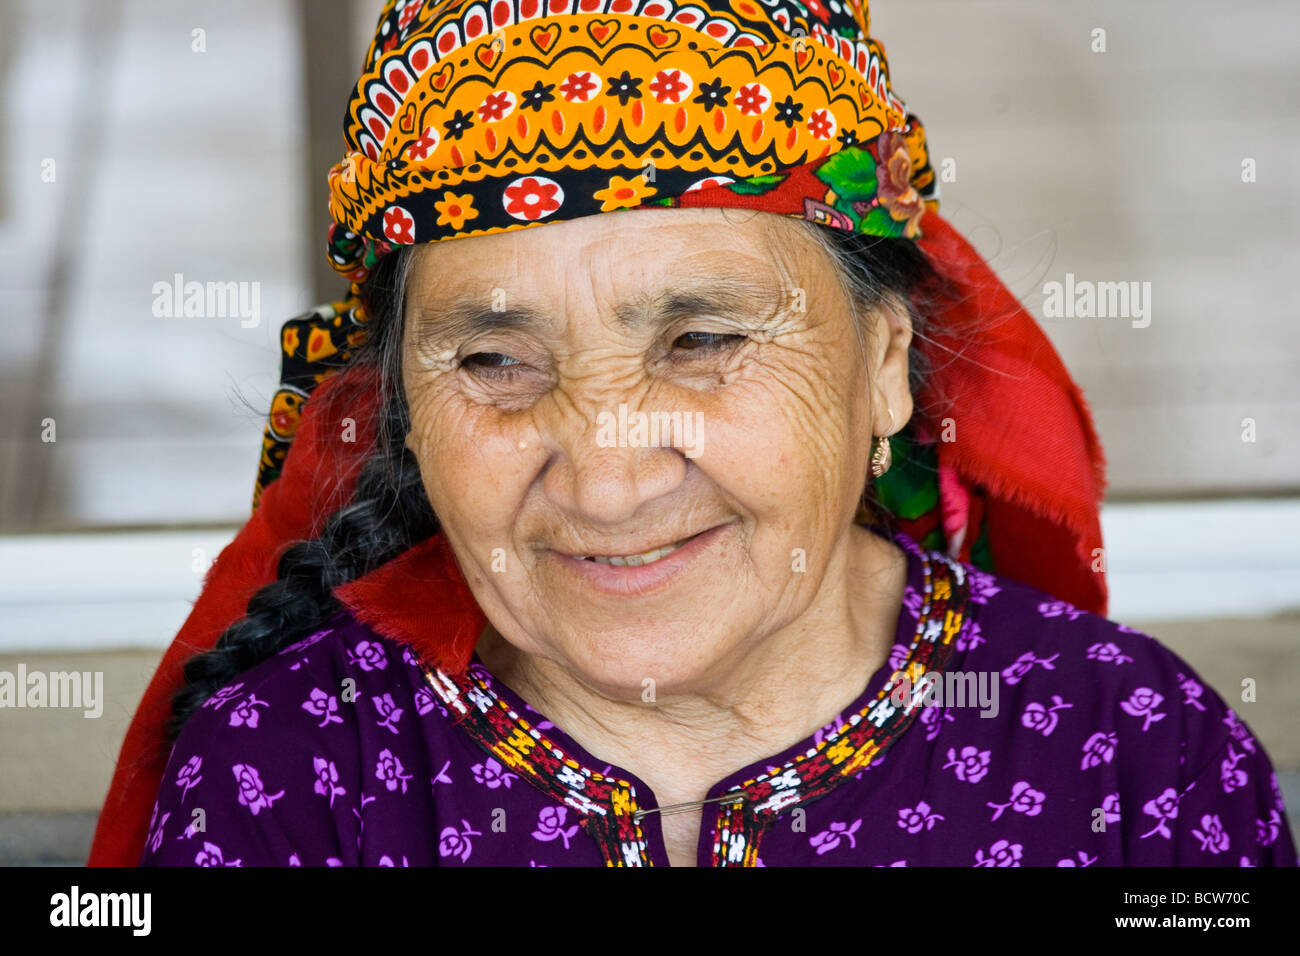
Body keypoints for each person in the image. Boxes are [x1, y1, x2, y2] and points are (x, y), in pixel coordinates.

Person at [92, 0, 1294, 867]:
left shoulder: (1128, 757)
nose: (607, 479)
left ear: (884, 368)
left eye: (702, 339)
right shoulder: (299, 772)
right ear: (403, 405)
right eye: (496, 360)